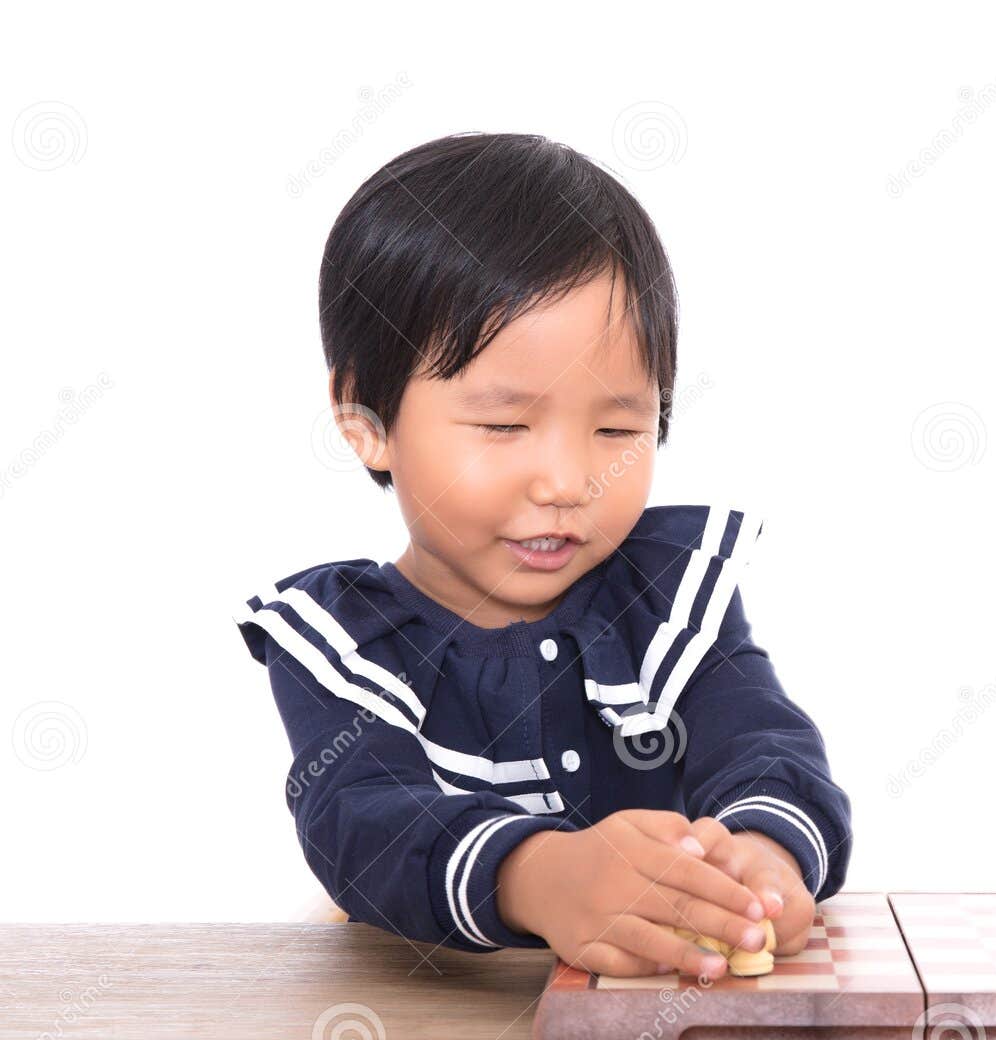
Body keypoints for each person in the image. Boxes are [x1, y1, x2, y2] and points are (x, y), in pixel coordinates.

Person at [233, 132, 851, 979]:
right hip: (430, 1030)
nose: (568, 482)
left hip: (668, 1025)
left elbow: (764, 743)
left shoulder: (666, 597)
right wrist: (537, 875)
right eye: (504, 425)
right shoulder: (344, 640)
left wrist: (763, 852)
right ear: (365, 418)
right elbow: (362, 821)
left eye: (618, 428)